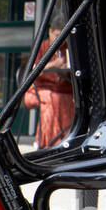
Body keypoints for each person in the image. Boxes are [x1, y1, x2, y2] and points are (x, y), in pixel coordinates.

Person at [25, 21, 75, 150]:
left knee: (70, 100)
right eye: (57, 36)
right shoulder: (41, 47)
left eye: (63, 37)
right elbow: (32, 71)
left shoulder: (68, 49)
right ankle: (46, 141)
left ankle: (66, 137)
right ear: (50, 32)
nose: (60, 40)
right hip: (40, 88)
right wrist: (52, 65)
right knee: (52, 99)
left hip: (64, 89)